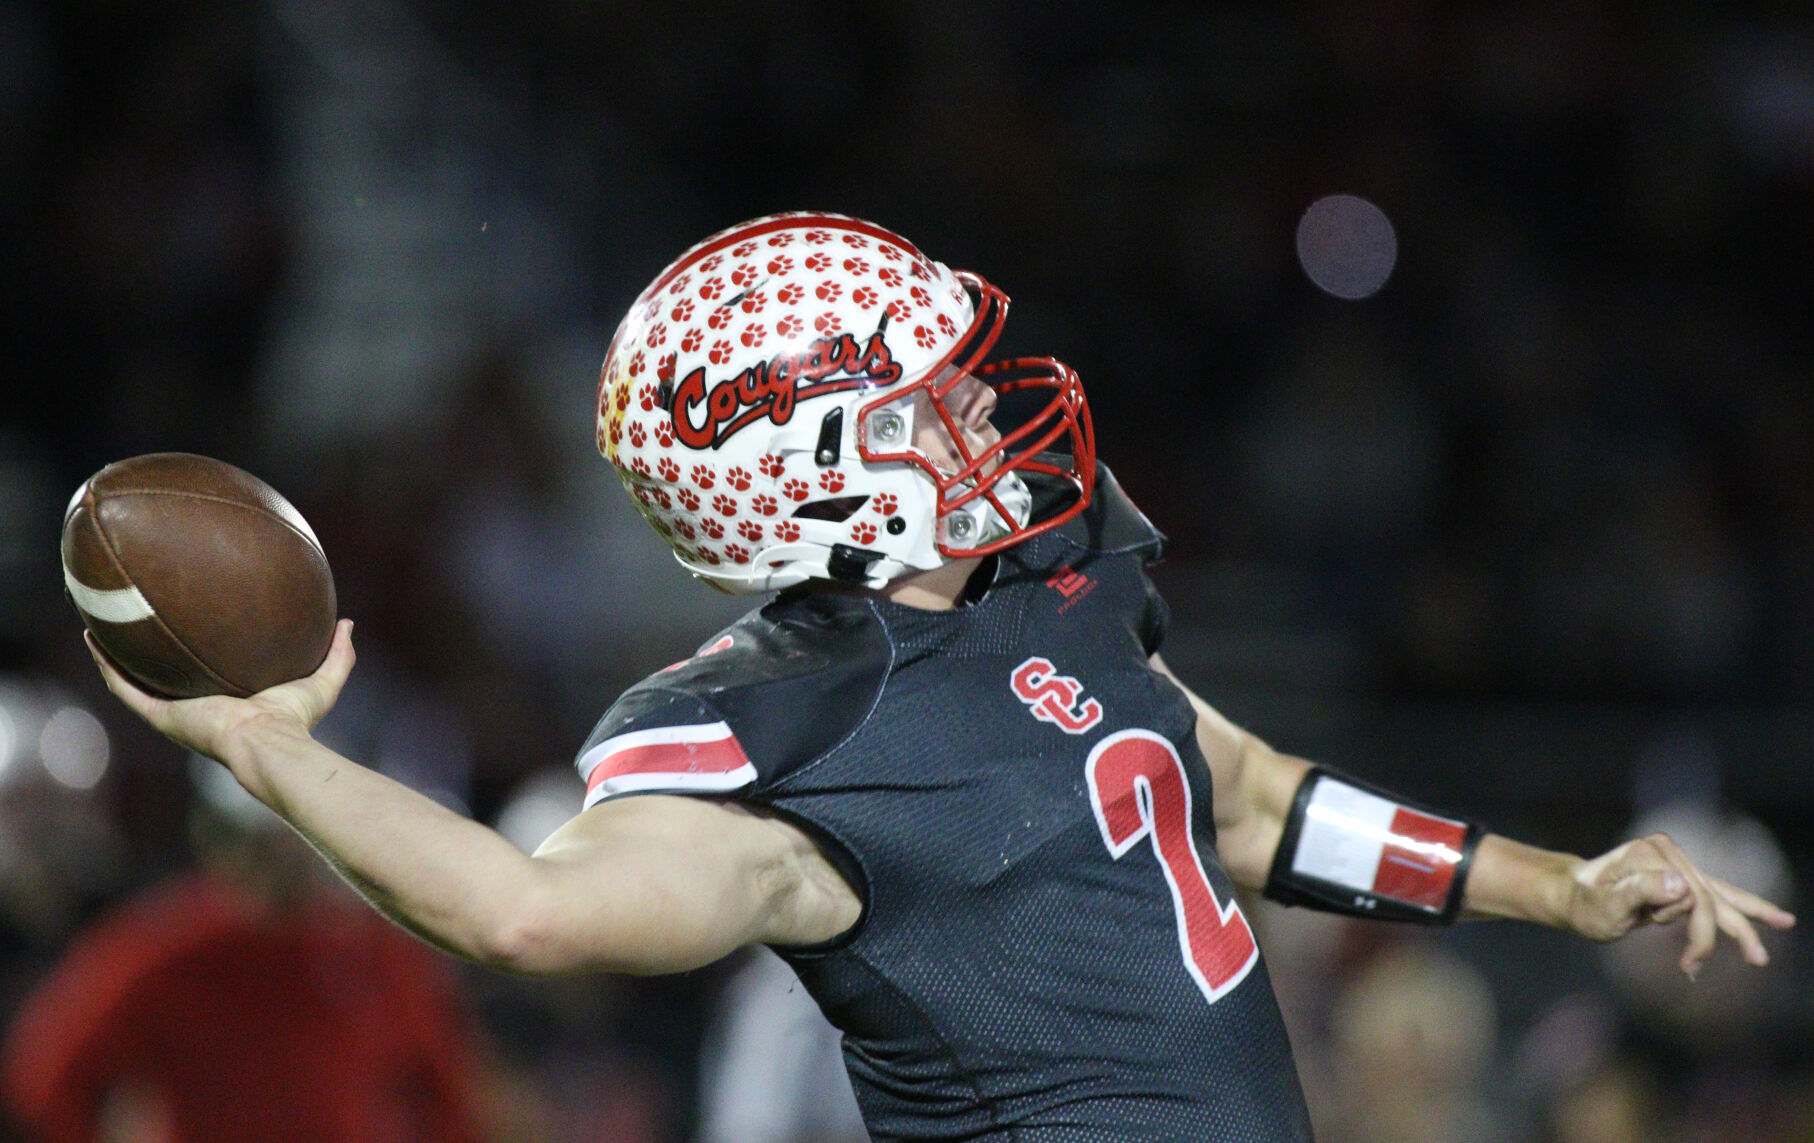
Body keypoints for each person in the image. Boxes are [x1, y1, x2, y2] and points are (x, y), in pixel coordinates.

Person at [84, 212, 1794, 1142]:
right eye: (930, 397)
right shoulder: (784, 727)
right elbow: (527, 917)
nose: (985, 409)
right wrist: (271, 748)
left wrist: (1554, 887)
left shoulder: (1044, 591)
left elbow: (1250, 798)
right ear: (813, 471)